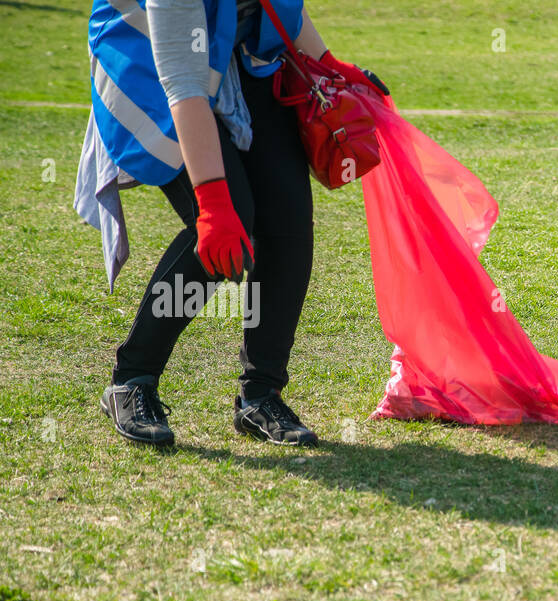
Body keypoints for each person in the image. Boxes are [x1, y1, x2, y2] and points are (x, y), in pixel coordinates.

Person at [76, 0, 386, 446]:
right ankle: (132, 379)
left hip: (241, 61)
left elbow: (281, 9)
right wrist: (213, 202)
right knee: (230, 219)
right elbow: (182, 82)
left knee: (289, 221)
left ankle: (260, 395)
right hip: (151, 66)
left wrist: (328, 65)